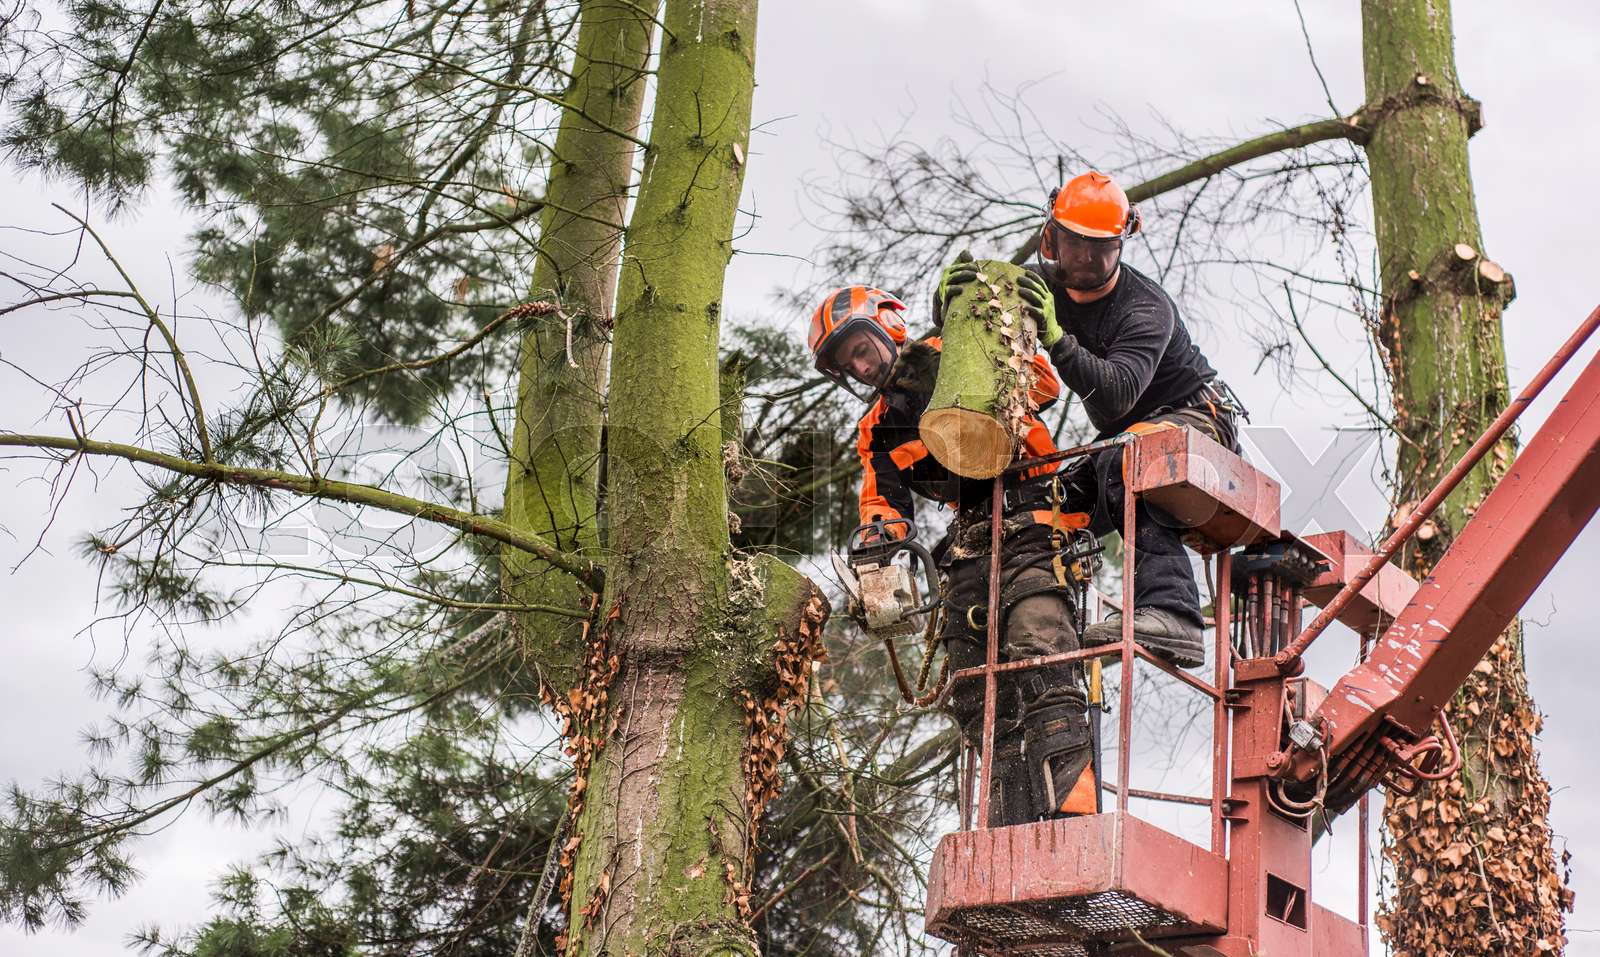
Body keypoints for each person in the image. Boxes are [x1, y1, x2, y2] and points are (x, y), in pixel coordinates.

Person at [808, 284, 1098, 825]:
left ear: (889, 328)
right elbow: (884, 504)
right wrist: (877, 546)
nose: (863, 366)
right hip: (967, 538)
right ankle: (1007, 826)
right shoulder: (876, 430)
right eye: (850, 363)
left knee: (1039, 647)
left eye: (863, 350)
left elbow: (1043, 382)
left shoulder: (955, 348)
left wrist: (968, 366)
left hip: (1033, 509)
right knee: (971, 686)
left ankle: (1074, 815)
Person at [938, 171, 1245, 669]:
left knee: (1128, 460)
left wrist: (1058, 341)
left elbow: (1114, 400)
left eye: (1099, 247)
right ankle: (1038, 637)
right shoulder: (1039, 285)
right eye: (1074, 243)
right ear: (1051, 237)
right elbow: (983, 322)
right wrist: (950, 302)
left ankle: (1174, 614)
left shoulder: (1145, 308)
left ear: (1122, 244)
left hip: (1197, 417)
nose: (1084, 257)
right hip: (1124, 439)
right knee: (1038, 502)